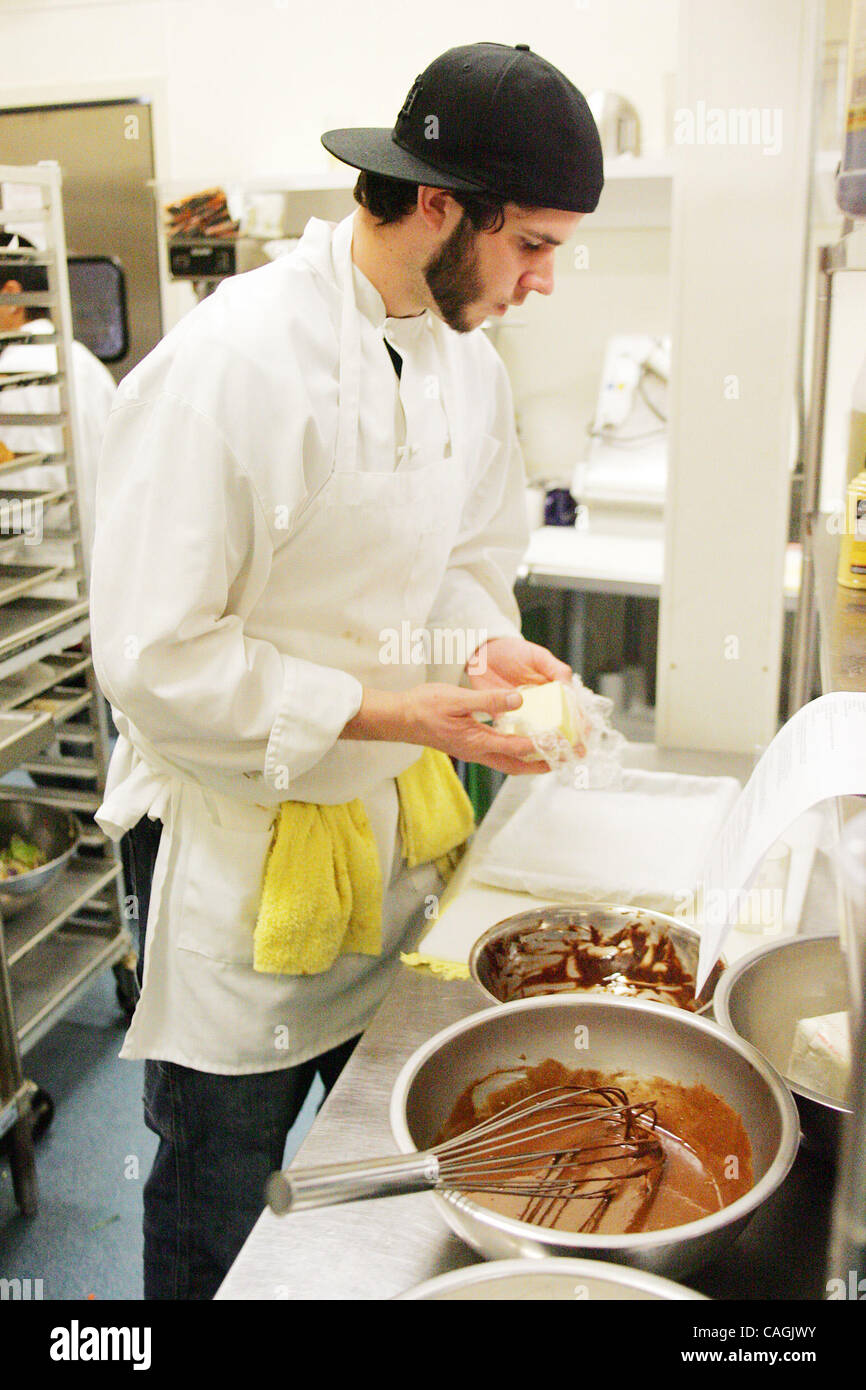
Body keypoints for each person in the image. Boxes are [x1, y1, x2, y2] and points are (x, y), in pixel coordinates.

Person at [89, 41, 604, 1299]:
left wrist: (478, 642)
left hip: (384, 839)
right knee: (222, 1183)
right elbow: (153, 659)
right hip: (239, 852)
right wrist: (385, 707)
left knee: (374, 1154)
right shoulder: (232, 369)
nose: (543, 280)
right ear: (438, 203)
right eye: (531, 244)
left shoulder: (460, 361)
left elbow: (464, 552)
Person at [0, 234, 116, 570]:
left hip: (44, 580)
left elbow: (21, 504)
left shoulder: (16, 377)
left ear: (11, 298)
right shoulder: (80, 360)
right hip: (98, 568)